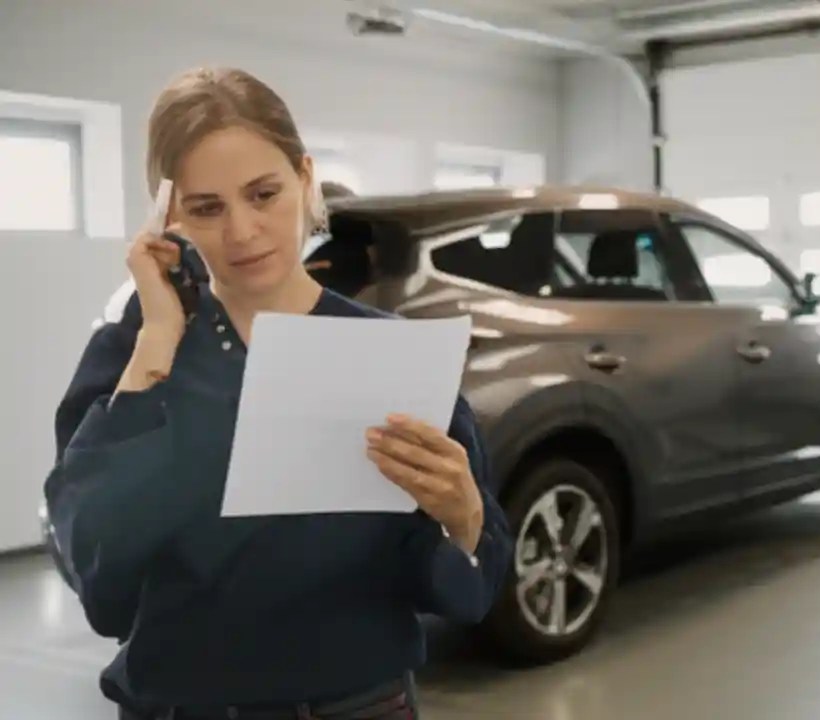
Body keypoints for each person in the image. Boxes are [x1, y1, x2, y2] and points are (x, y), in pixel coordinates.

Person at [43, 66, 513, 720]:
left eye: (264, 194)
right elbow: (98, 578)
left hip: (363, 707)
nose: (242, 232)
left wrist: (464, 518)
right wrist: (157, 339)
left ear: (305, 177)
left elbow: (471, 589)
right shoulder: (132, 361)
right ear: (166, 216)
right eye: (207, 208)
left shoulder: (389, 355)